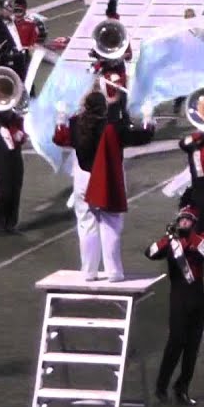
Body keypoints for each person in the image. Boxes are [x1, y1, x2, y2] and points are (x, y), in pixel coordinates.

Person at [53, 90, 155, 282]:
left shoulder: (76, 123)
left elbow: (59, 138)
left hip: (82, 179)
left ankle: (89, 271)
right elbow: (143, 136)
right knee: (110, 224)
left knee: (85, 225)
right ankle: (114, 272)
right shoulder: (112, 127)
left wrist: (61, 117)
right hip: (107, 177)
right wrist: (148, 118)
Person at [146, 194, 204, 406]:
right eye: (181, 219)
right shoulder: (171, 243)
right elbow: (150, 252)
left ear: (193, 223)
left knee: (193, 346)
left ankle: (182, 387)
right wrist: (169, 239)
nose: (183, 222)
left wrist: (188, 237)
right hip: (179, 297)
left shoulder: (201, 238)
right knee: (175, 343)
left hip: (197, 297)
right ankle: (161, 385)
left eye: (187, 220)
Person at [0, 104, 26, 234]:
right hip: (1, 160)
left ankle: (11, 223)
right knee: (5, 192)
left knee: (15, 191)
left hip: (16, 158)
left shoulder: (17, 121)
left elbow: (21, 138)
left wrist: (14, 124)